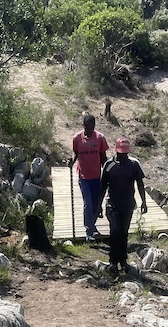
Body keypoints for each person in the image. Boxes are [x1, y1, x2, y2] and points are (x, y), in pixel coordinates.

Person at [97, 136, 147, 275]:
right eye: (120, 153)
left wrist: (144, 202)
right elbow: (102, 186)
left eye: (125, 153)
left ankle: (123, 261)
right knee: (115, 232)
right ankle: (113, 262)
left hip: (128, 206)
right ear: (116, 151)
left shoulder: (134, 164)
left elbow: (140, 184)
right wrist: (98, 206)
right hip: (112, 205)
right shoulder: (108, 165)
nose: (123, 155)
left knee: (123, 234)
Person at [68, 114, 109, 242]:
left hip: (96, 177)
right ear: (83, 126)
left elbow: (103, 157)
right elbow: (76, 153)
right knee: (88, 204)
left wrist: (108, 171)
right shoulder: (77, 138)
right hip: (83, 176)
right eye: (86, 127)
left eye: (91, 128)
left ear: (94, 126)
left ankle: (92, 226)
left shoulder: (100, 138)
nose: (89, 130)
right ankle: (89, 231)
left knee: (96, 204)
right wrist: (72, 161)